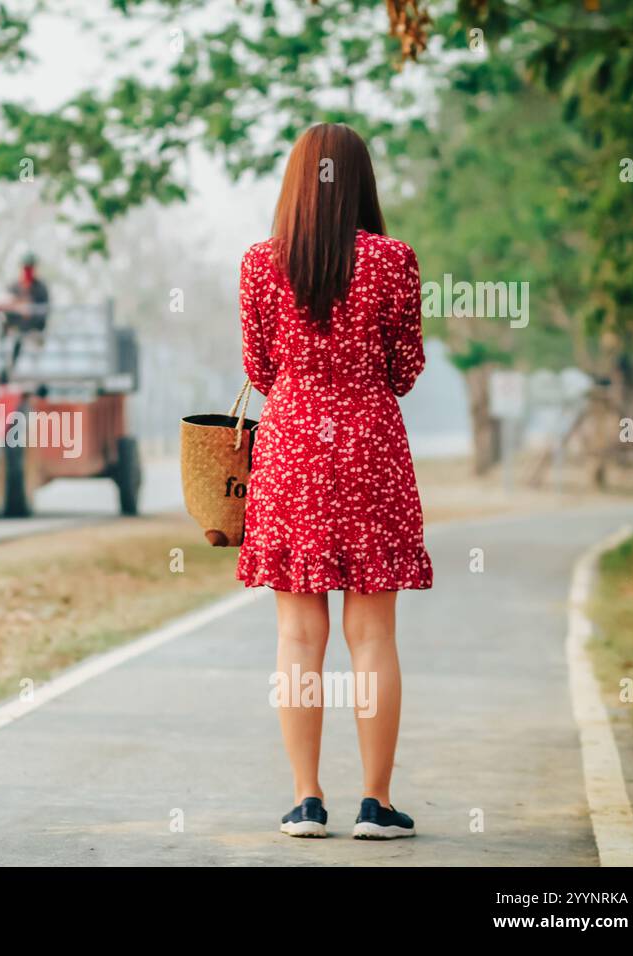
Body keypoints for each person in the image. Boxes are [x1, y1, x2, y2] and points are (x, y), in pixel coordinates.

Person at [238, 123, 431, 841]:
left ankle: (306, 801)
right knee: (373, 631)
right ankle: (376, 805)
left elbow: (261, 371)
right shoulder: (394, 261)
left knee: (297, 634)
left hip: (289, 448)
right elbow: (405, 369)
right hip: (371, 449)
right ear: (362, 182)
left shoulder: (261, 263)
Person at [4, 252, 50, 371]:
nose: (28, 271)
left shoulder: (40, 288)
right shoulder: (13, 287)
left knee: (35, 349)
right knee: (12, 343)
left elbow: (44, 314)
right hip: (17, 332)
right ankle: (10, 371)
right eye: (26, 268)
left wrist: (30, 310)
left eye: (30, 268)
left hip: (34, 332)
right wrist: (19, 308)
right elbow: (7, 313)